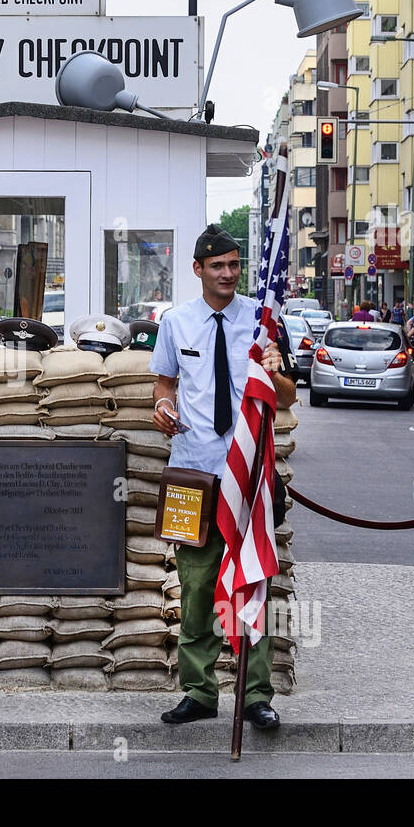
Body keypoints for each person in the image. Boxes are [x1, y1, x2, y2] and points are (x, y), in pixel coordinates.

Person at [149, 224, 297, 732]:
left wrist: (275, 369)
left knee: (252, 582)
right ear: (198, 270)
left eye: (234, 265)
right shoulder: (176, 322)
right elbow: (164, 384)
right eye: (218, 266)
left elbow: (287, 396)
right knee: (195, 586)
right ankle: (199, 691)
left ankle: (255, 695)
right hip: (193, 474)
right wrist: (162, 407)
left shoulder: (262, 320)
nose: (228, 274)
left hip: (249, 477)